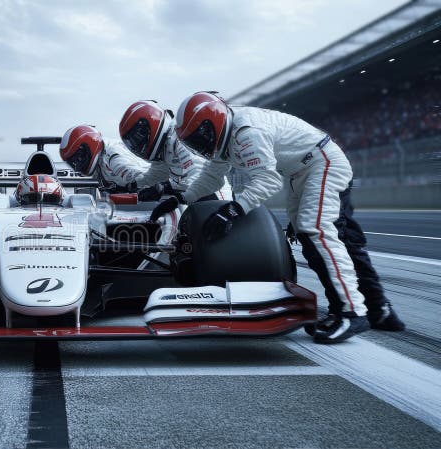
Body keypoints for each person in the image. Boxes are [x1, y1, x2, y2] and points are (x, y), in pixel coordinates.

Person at [157, 91, 404, 343]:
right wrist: (181, 198)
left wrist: (233, 210)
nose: (200, 144)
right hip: (302, 171)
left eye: (201, 136)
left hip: (322, 163)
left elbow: (267, 180)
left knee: (315, 230)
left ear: (215, 121)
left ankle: (351, 312)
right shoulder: (224, 136)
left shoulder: (246, 131)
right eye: (194, 141)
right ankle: (378, 308)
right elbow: (211, 178)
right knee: (326, 240)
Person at [118, 100, 232, 203]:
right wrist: (130, 185)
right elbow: (157, 174)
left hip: (212, 196)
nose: (137, 144)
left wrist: (164, 188)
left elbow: (197, 176)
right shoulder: (163, 146)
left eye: (138, 138)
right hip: (192, 197)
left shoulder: (178, 138)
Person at [58, 124, 161, 192]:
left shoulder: (113, 158)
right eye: (72, 162)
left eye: (78, 158)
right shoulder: (101, 154)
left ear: (88, 147)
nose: (77, 165)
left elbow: (144, 179)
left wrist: (128, 187)